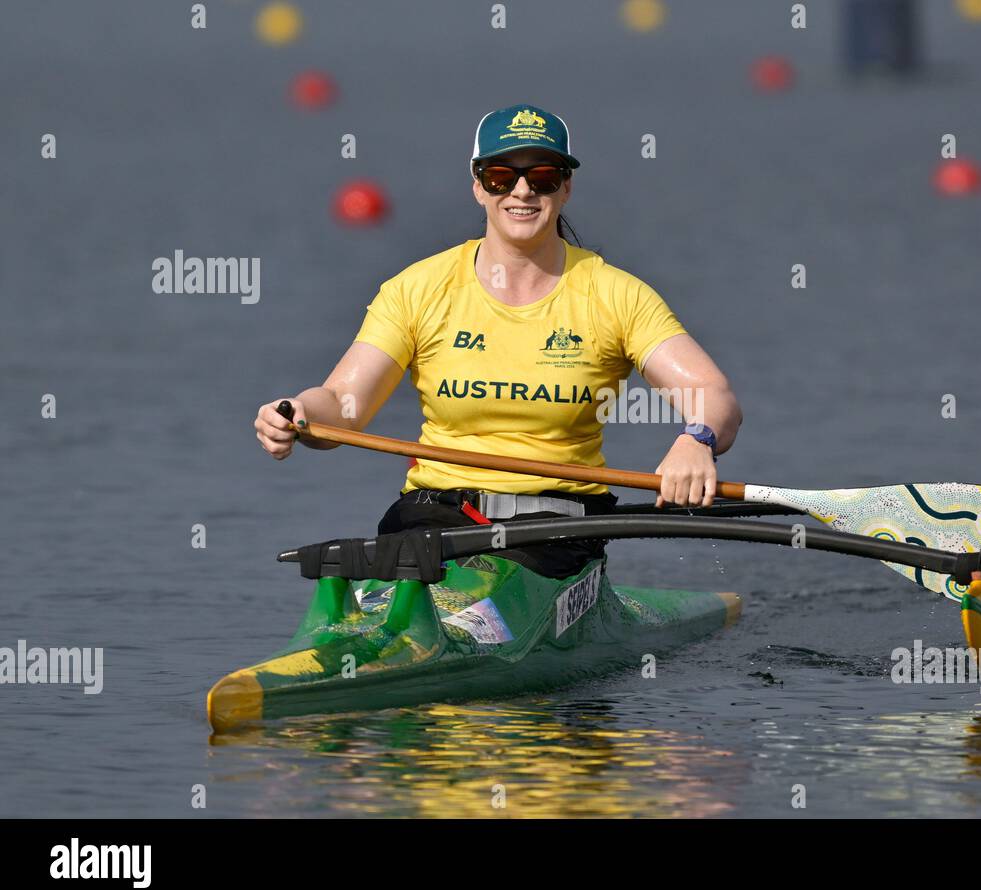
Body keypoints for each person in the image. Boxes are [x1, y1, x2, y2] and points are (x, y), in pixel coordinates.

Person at [254, 103, 742, 579]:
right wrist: (297, 411)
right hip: (433, 516)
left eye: (543, 175)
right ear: (478, 187)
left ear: (566, 187)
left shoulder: (614, 295)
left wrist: (696, 440)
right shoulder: (418, 289)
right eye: (501, 176)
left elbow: (713, 396)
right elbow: (342, 404)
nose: (522, 190)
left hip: (554, 525)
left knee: (486, 587)